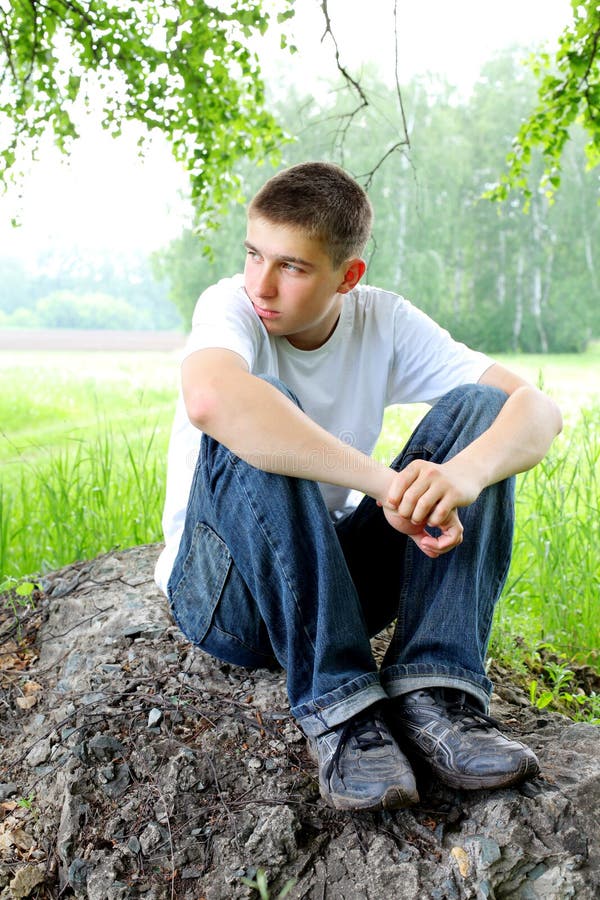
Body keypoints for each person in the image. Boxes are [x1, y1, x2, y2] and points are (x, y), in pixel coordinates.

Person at [155, 161, 562, 812]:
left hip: (329, 578)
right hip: (228, 595)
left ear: (349, 276)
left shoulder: (385, 322)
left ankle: (437, 695)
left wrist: (459, 477)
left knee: (480, 412)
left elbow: (538, 411)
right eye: (253, 254)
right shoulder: (229, 305)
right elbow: (210, 399)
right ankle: (343, 714)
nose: (262, 283)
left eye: (292, 266)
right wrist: (387, 483)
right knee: (258, 408)